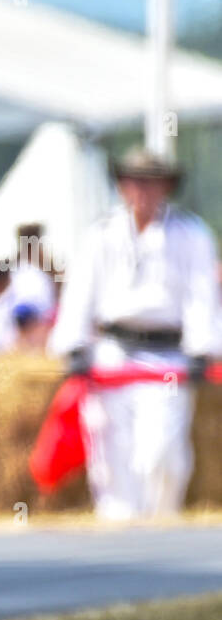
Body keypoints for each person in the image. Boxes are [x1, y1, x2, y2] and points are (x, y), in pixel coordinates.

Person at [48, 146, 220, 519]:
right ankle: (118, 524)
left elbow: (201, 295)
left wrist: (201, 349)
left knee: (161, 450)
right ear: (122, 186)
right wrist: (74, 345)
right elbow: (81, 292)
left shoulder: (190, 235)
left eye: (152, 183)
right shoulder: (101, 234)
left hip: (168, 356)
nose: (143, 191)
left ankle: (160, 523)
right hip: (112, 355)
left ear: (167, 188)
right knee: (110, 447)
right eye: (135, 182)